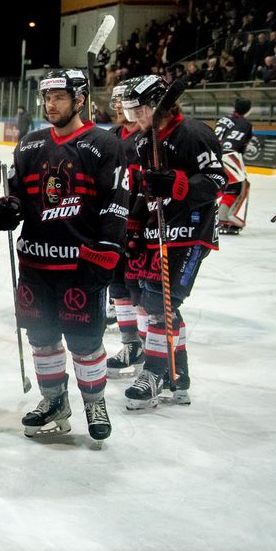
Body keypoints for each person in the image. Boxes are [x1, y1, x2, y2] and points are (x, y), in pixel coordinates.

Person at [0, 69, 129, 443]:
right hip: (36, 264)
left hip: (80, 265)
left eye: (60, 98)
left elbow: (116, 206)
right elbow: (19, 196)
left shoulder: (105, 145)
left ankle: (94, 403)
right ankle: (54, 400)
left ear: (80, 100)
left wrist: (108, 254)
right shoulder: (31, 145)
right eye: (47, 98)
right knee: (42, 338)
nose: (50, 105)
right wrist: (8, 209)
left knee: (85, 341)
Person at [121, 75, 225, 409]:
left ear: (157, 105)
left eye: (138, 110)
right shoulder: (142, 142)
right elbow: (141, 189)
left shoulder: (194, 134)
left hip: (193, 230)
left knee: (160, 301)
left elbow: (217, 180)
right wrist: (133, 228)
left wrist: (178, 184)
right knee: (155, 301)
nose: (133, 118)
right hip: (159, 229)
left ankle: (153, 373)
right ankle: (177, 373)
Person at [105, 79, 149, 377]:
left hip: (144, 227)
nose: (119, 106)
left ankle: (150, 348)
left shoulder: (150, 138)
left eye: (124, 100)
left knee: (143, 293)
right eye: (117, 100)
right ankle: (131, 343)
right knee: (118, 287)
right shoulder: (111, 137)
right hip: (116, 225)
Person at [213, 97, 253, 234]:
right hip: (231, 157)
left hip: (215, 155)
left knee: (228, 187)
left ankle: (221, 216)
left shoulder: (223, 119)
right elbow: (241, 143)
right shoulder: (246, 124)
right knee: (240, 187)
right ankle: (226, 218)